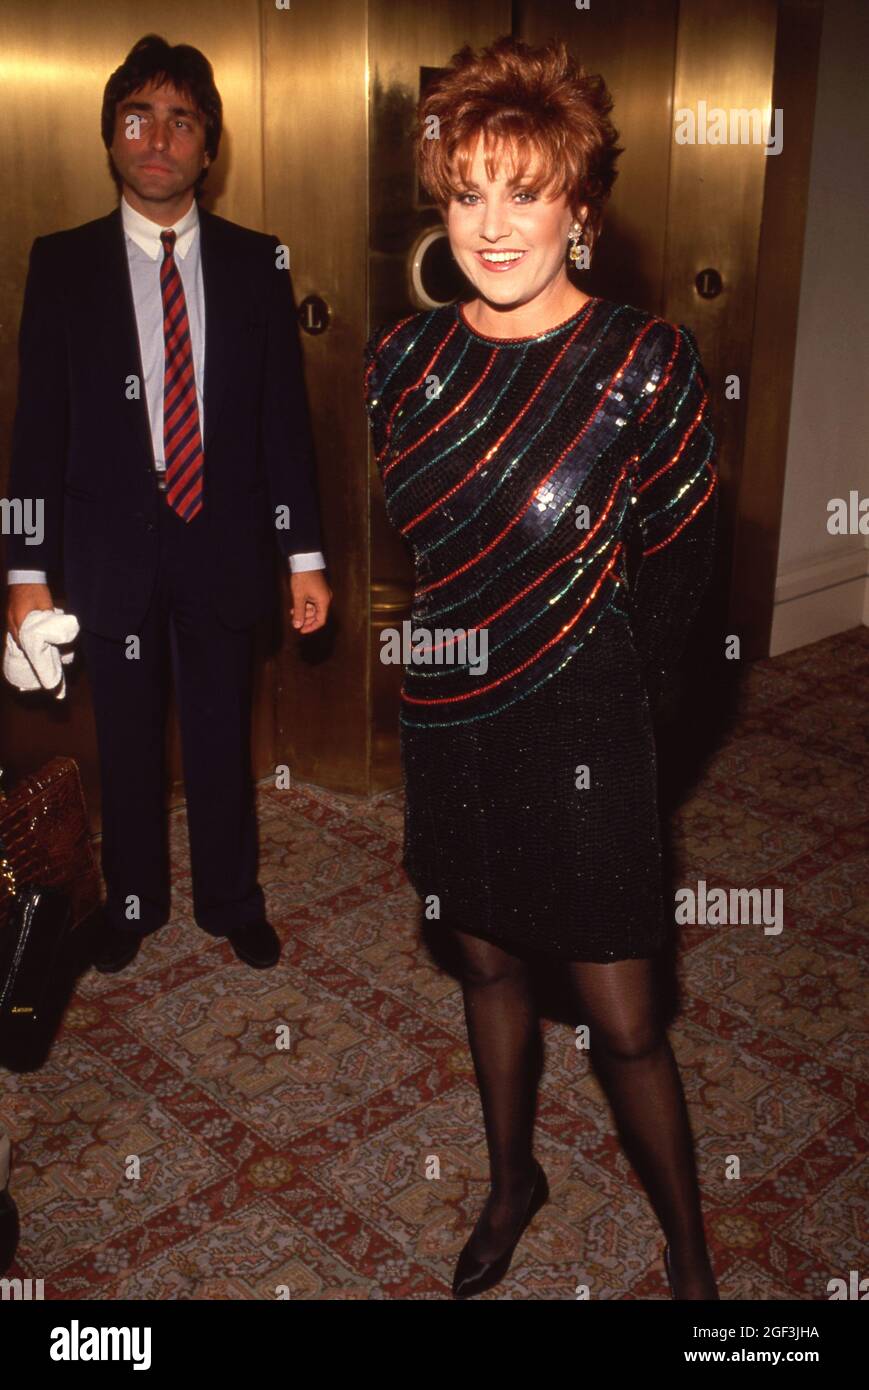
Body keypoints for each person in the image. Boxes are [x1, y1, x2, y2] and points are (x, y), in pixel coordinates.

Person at [364, 35, 720, 1300]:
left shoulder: (648, 366)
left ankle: (689, 1256)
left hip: (588, 729)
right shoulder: (402, 365)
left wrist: (619, 733)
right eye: (467, 192)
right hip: (448, 723)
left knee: (624, 1021)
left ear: (579, 207)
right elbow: (429, 559)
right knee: (486, 965)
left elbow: (682, 590)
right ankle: (511, 1180)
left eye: (524, 191)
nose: (491, 224)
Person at [4, 35, 331, 974]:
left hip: (222, 541)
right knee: (128, 740)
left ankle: (231, 900)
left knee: (223, 733)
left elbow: (282, 423)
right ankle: (135, 902)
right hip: (108, 545)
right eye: (138, 118)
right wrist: (25, 571)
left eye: (181, 122)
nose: (158, 140)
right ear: (111, 136)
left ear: (208, 148)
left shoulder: (256, 262)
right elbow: (36, 430)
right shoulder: (63, 263)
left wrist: (304, 555)